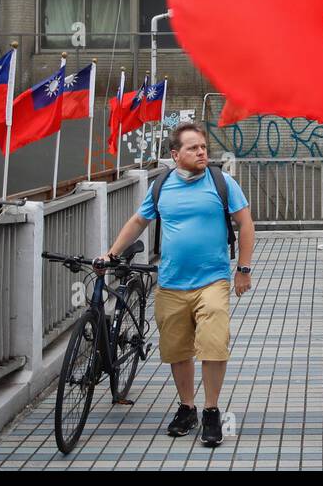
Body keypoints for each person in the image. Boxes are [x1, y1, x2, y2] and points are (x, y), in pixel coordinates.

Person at [101, 121, 255, 447]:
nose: (202, 152)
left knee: (214, 342)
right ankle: (187, 407)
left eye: (203, 147)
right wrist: (112, 253)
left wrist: (243, 268)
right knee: (177, 350)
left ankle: (211, 411)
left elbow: (245, 223)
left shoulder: (221, 182)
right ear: (175, 154)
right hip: (171, 283)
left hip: (212, 281)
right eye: (193, 148)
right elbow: (138, 221)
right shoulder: (161, 186)